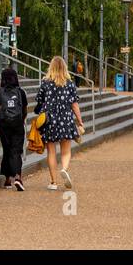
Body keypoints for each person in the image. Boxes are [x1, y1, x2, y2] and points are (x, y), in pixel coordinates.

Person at [36, 56, 84, 191]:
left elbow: (39, 102)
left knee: (51, 151)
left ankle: (53, 182)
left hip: (49, 120)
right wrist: (80, 121)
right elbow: (74, 105)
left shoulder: (45, 83)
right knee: (66, 150)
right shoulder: (69, 84)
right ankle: (64, 169)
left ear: (51, 67)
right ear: (64, 68)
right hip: (66, 119)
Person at [0, 67, 29, 191]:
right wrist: (20, 121)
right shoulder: (20, 92)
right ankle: (17, 177)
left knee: (7, 150)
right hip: (17, 124)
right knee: (16, 150)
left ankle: (7, 180)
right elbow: (25, 110)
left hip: (4, 124)